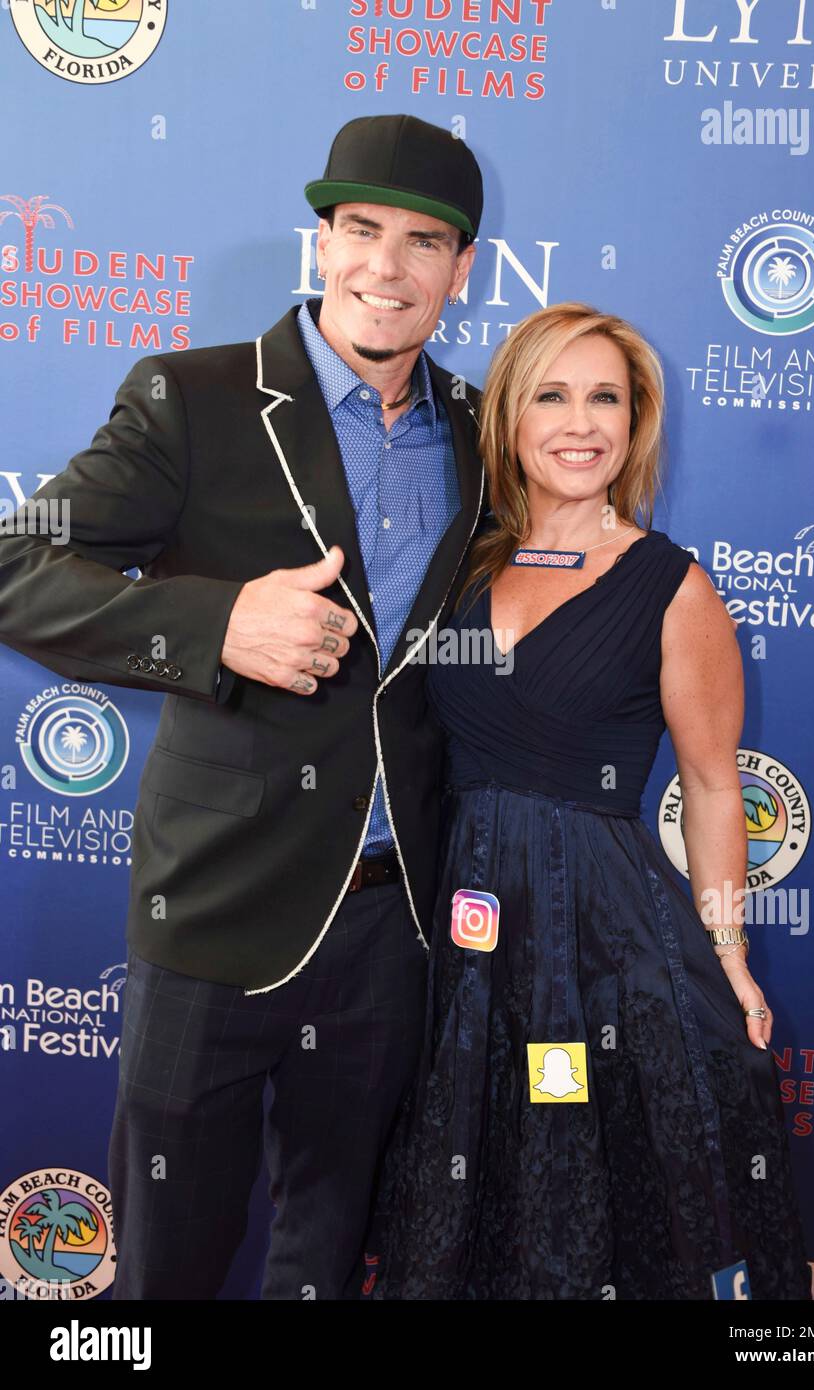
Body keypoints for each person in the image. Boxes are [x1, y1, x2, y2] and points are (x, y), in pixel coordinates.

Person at [0, 114, 487, 1299]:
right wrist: (217, 625)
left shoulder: (482, 429)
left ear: (460, 270)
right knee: (166, 1267)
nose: (387, 266)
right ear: (320, 241)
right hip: (214, 900)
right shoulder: (193, 396)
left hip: (395, 923)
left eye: (422, 242)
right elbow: (18, 566)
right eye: (361, 230)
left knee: (326, 1253)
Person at [372, 302, 812, 1300]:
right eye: (552, 396)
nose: (581, 423)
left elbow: (709, 784)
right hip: (466, 936)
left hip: (608, 937)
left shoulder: (671, 586)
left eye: (605, 397)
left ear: (636, 420)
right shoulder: (462, 565)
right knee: (470, 1180)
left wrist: (729, 954)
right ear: (509, 421)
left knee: (606, 1194)